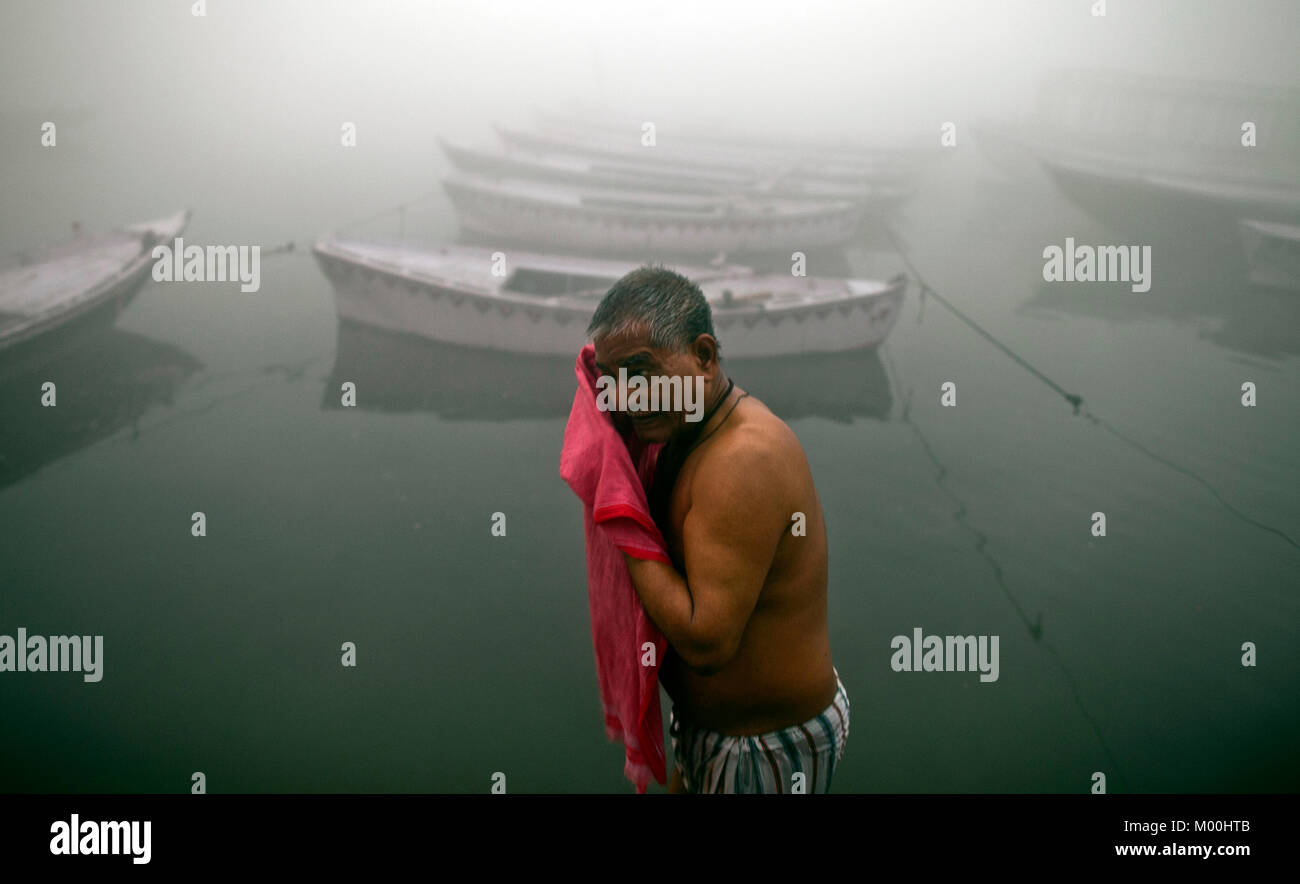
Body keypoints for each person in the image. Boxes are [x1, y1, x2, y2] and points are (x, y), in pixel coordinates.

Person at [587, 265, 849, 794]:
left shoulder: (742, 461)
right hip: (713, 732)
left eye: (641, 372)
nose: (626, 397)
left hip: (765, 747)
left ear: (704, 357)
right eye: (612, 379)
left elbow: (708, 643)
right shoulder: (685, 429)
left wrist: (620, 517)